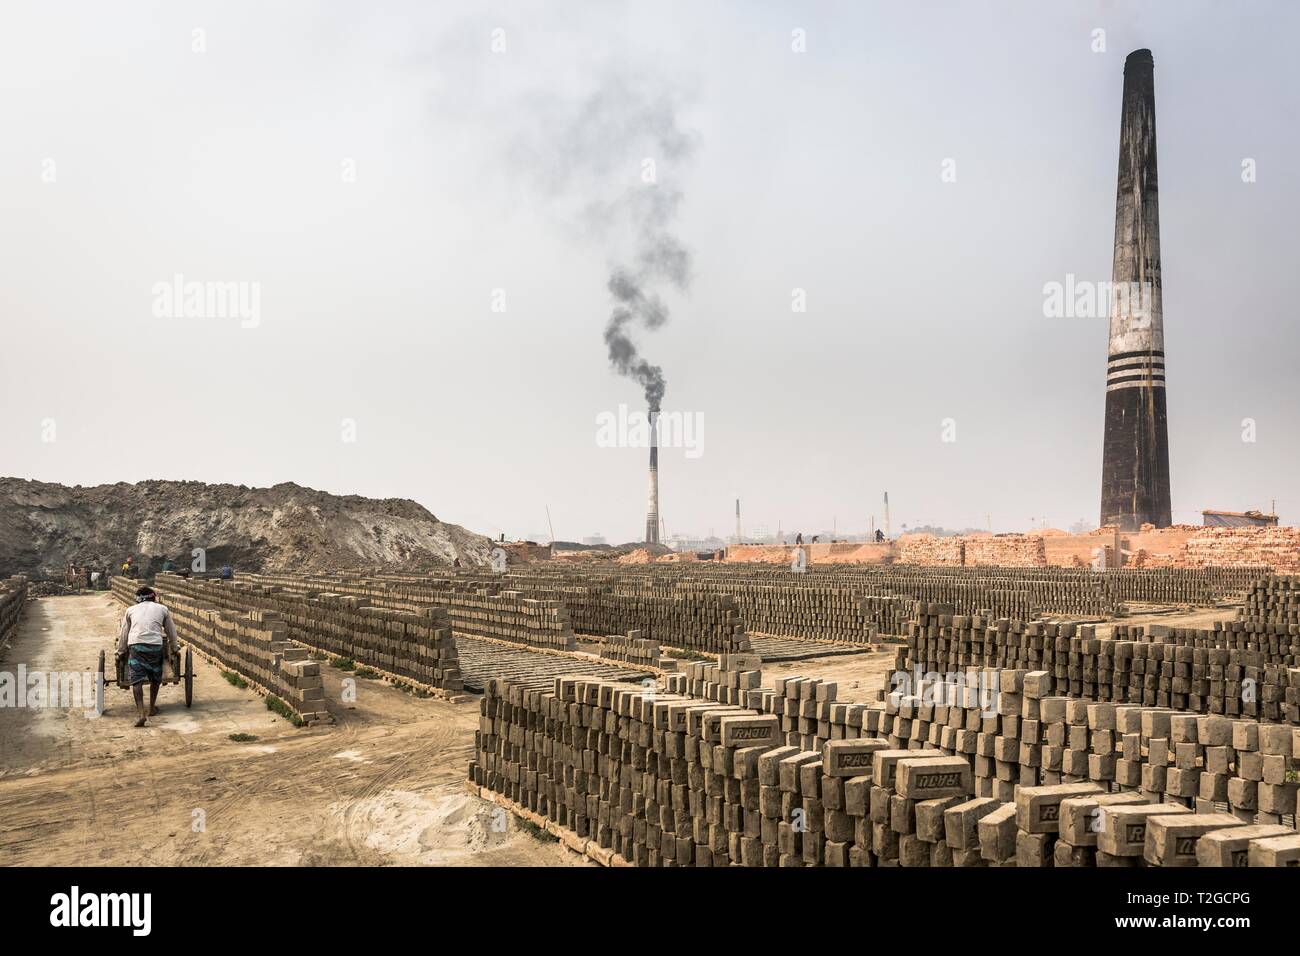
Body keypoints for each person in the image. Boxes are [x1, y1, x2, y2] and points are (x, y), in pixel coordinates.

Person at [116, 586, 178, 728]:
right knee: (155, 677)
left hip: (136, 646)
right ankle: (151, 708)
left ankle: (140, 713)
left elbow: (124, 633)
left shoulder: (130, 610)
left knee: (136, 680)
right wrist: (174, 647)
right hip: (155, 646)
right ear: (153, 597)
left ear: (138, 599)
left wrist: (120, 651)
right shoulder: (162, 609)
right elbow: (171, 631)